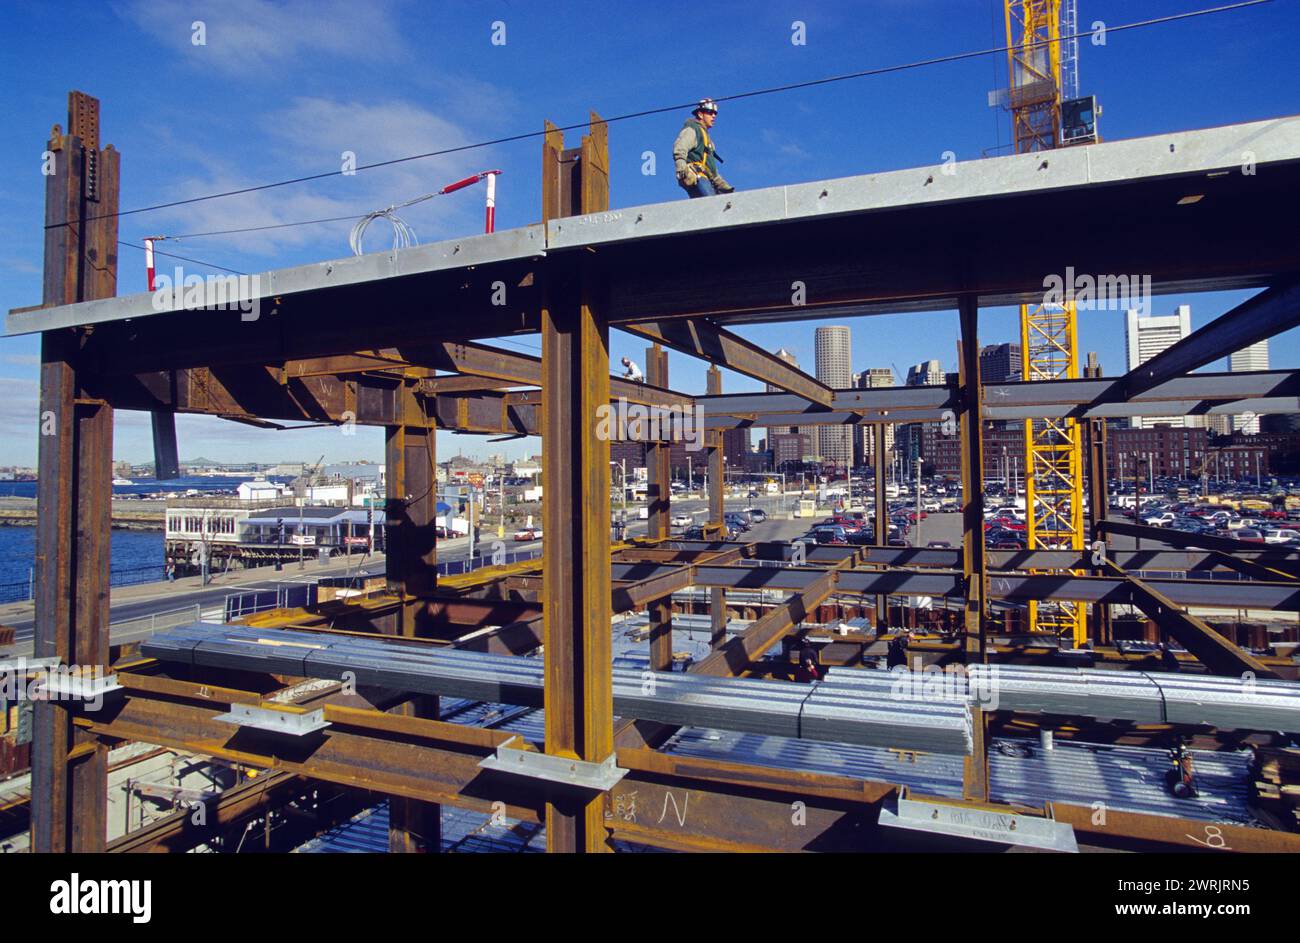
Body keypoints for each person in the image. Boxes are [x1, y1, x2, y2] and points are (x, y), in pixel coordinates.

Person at [674, 99, 734, 198]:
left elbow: (713, 172)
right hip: (698, 177)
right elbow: (680, 147)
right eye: (710, 113)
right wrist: (681, 168)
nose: (713, 116)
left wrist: (727, 189)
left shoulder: (708, 140)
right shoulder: (692, 130)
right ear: (700, 115)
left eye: (715, 113)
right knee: (711, 206)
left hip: (707, 180)